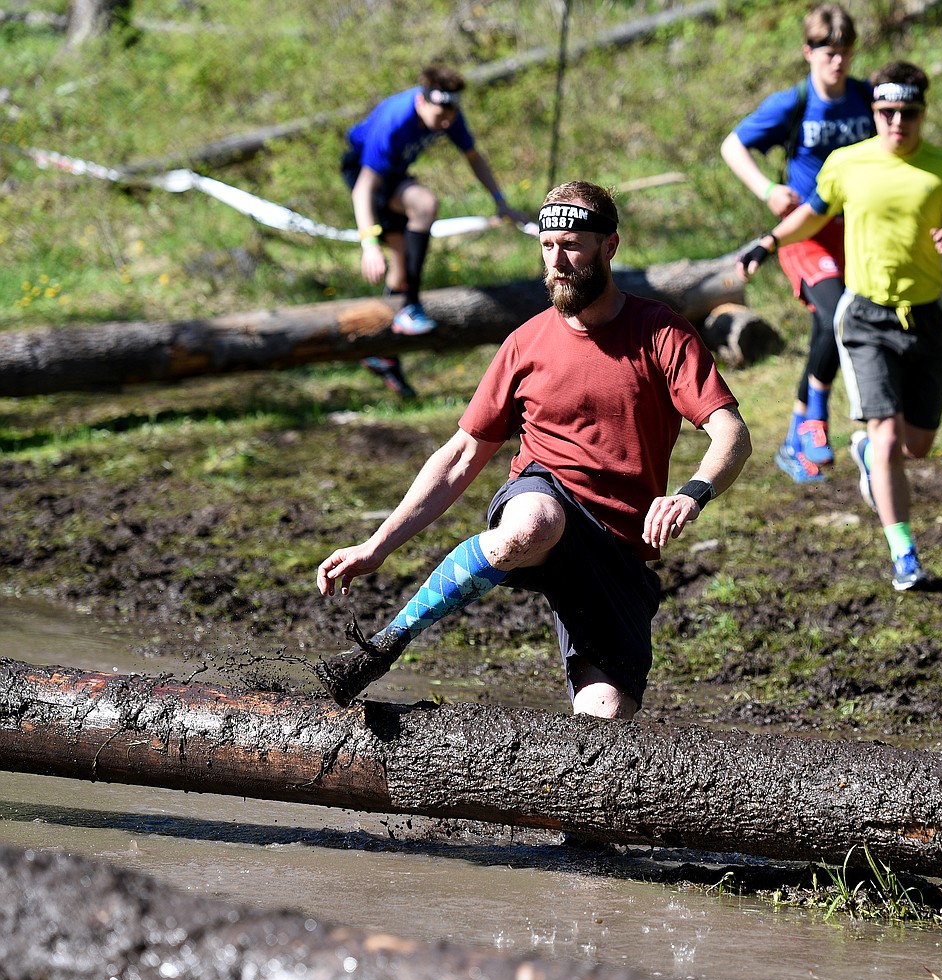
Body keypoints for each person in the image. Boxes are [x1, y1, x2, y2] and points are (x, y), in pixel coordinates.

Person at [314, 180, 752, 719]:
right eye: (547, 246)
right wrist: (376, 547)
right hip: (545, 494)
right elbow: (460, 456)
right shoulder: (525, 342)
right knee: (533, 522)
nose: (557, 260)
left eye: (571, 245)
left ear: (609, 247)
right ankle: (386, 644)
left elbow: (731, 433)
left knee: (606, 718)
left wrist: (691, 494)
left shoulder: (661, 333)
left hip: (618, 548)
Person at [741, 61, 942, 590]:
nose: (898, 122)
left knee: (915, 445)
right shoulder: (846, 164)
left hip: (925, 320)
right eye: (887, 112)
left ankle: (870, 459)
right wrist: (768, 242)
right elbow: (812, 214)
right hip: (867, 316)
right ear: (874, 111)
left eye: (909, 113)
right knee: (887, 432)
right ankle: (905, 555)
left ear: (923, 113)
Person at [721, 4, 873, 484]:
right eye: (829, 51)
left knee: (835, 327)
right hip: (802, 232)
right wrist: (768, 190)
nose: (838, 60)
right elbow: (732, 145)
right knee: (833, 315)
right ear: (808, 52)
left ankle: (793, 440)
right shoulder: (795, 102)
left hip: (857, 234)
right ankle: (816, 420)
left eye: (846, 51)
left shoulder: (867, 98)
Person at [342, 62, 527, 397]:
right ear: (422, 102)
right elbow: (363, 189)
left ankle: (382, 351)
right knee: (424, 205)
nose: (445, 122)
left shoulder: (449, 114)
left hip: (393, 178)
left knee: (399, 273)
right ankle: (407, 311)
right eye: (440, 115)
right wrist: (368, 243)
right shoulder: (394, 122)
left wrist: (501, 201)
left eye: (450, 114)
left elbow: (473, 156)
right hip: (364, 176)